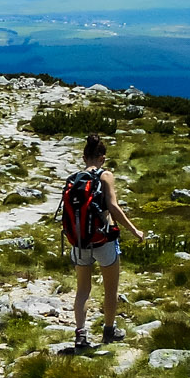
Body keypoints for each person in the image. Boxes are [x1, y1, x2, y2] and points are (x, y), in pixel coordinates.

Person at [58, 132, 146, 348]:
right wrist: (134, 230)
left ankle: (80, 335)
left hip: (79, 241)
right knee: (110, 288)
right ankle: (109, 330)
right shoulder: (105, 176)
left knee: (82, 290)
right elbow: (113, 207)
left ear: (83, 157)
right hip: (103, 240)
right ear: (102, 158)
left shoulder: (74, 180)